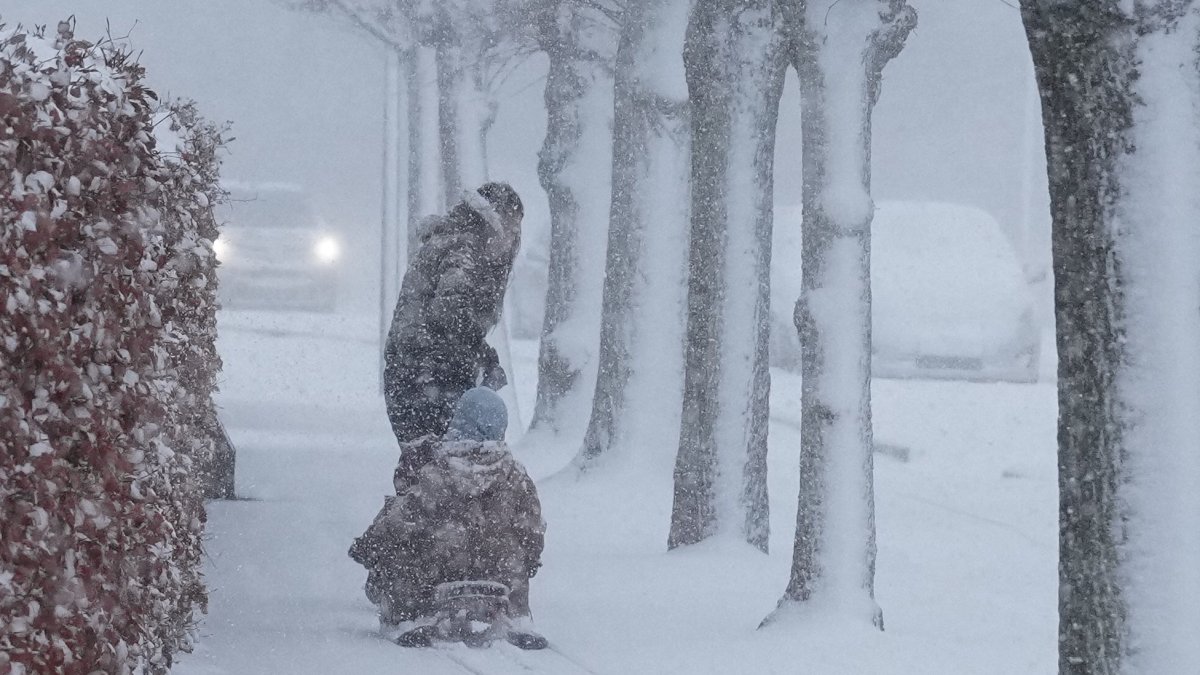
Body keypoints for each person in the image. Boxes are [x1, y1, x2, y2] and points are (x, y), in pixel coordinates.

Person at [349, 388, 546, 649]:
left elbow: (404, 520)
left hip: (442, 569)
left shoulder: (439, 470)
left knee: (404, 548)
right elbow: (531, 530)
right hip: (500, 571)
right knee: (514, 552)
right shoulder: (516, 475)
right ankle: (517, 617)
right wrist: (528, 560)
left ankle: (406, 616)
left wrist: (371, 546)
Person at [383, 182, 524, 444]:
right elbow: (450, 312)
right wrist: (484, 356)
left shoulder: (452, 239)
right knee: (456, 459)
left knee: (428, 462)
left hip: (411, 376)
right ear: (492, 220)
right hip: (429, 378)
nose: (512, 238)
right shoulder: (464, 247)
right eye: (510, 227)